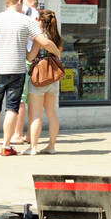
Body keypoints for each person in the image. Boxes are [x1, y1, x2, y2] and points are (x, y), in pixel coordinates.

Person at [0, 0, 59, 156]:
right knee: (12, 108)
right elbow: (42, 41)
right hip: (17, 70)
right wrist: (57, 53)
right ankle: (7, 146)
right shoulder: (26, 20)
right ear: (20, 1)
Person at [24, 9, 64, 156]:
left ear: (41, 21)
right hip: (53, 79)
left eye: (36, 19)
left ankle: (33, 147)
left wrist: (24, 48)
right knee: (51, 112)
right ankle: (51, 145)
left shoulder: (39, 38)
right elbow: (57, 53)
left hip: (39, 78)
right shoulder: (57, 38)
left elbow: (30, 57)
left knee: (35, 114)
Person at [10, 0, 40, 146]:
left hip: (25, 59)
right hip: (31, 59)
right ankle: (29, 134)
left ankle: (17, 134)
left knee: (21, 100)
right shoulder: (35, 15)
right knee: (30, 99)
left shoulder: (28, 15)